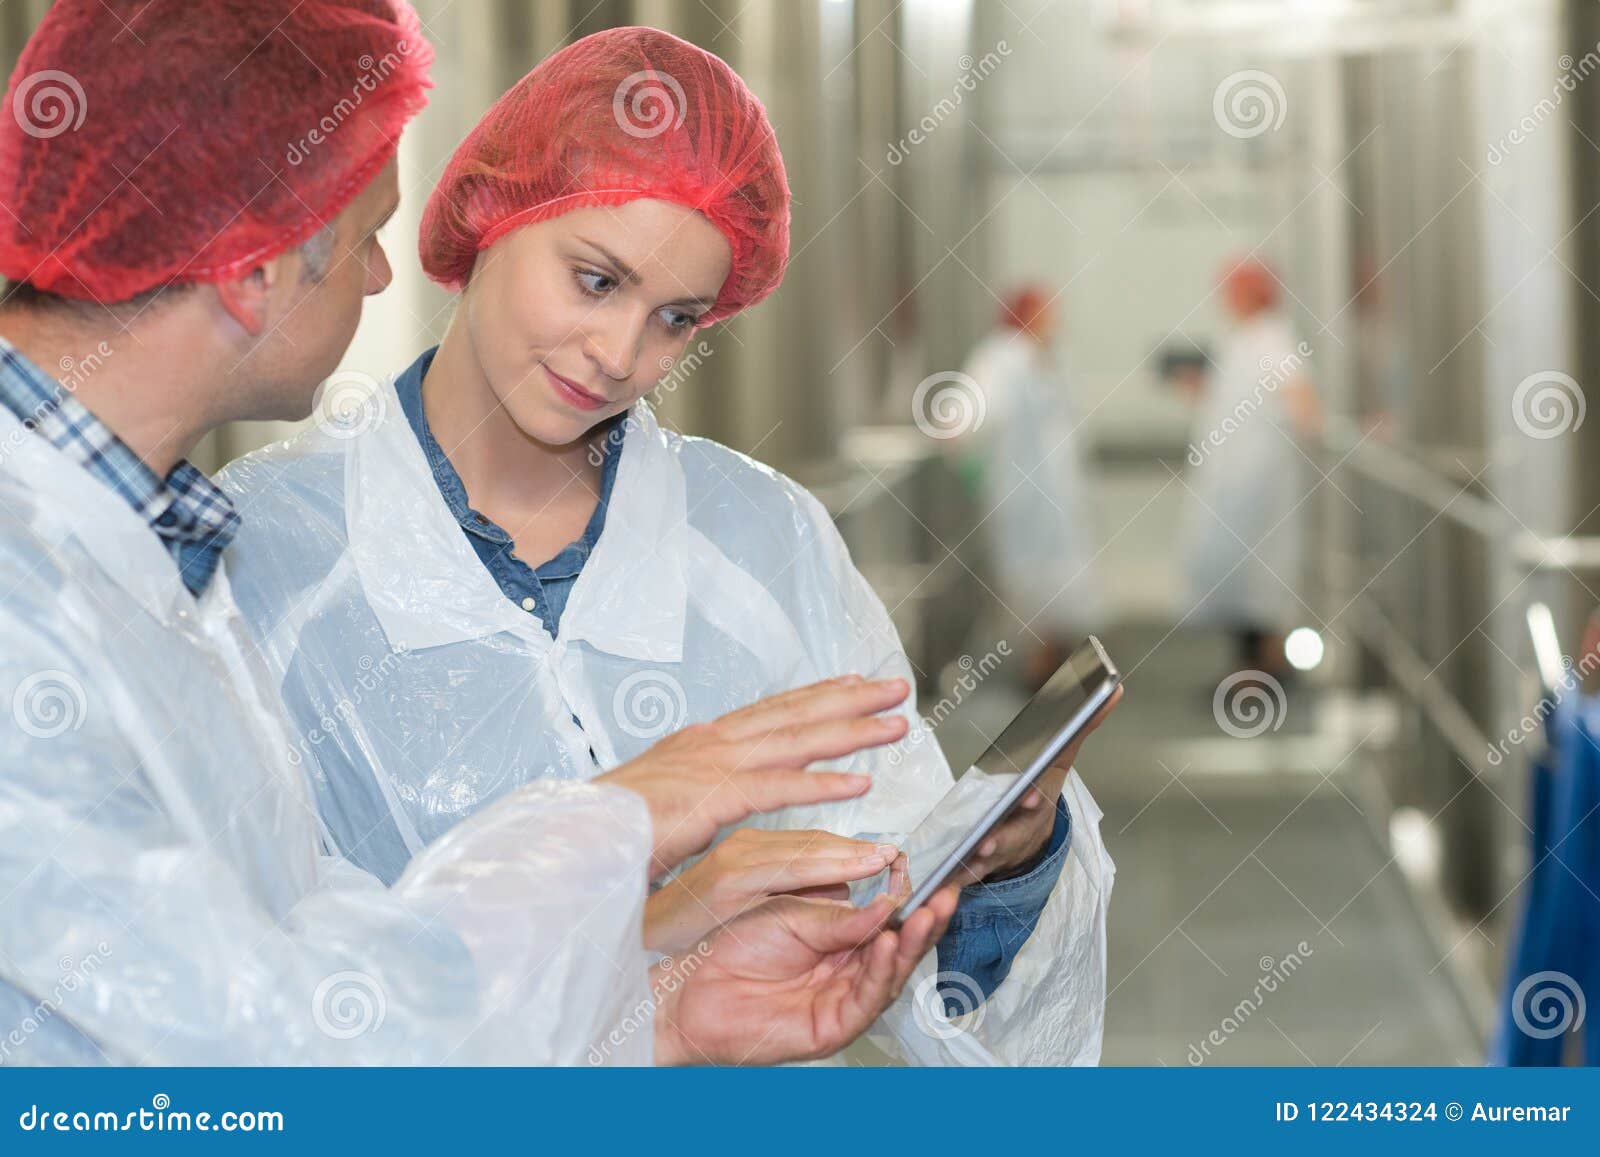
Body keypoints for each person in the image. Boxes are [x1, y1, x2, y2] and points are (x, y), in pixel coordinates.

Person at [0, 0, 959, 1066]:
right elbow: (261, 1054)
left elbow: (315, 954)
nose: (379, 273)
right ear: (247, 269)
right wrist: (614, 821)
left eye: (676, 316)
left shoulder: (144, 547)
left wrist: (661, 1011)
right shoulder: (45, 592)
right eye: (365, 237)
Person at [219, 25, 1119, 1066]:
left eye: (676, 318)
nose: (618, 355)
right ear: (489, 212)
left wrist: (999, 861)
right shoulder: (265, 560)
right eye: (595, 280)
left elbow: (911, 939)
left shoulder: (761, 540)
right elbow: (239, 997)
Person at [954, 285, 1106, 691]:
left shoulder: (1045, 359)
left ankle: (1057, 670)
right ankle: (1040, 677)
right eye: (1047, 310)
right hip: (1022, 495)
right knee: (1033, 587)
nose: (1055, 318)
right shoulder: (1001, 355)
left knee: (1057, 584)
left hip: (1053, 496)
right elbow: (969, 414)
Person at [1178, 257, 1320, 679]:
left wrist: (1312, 422)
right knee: (1241, 584)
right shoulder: (1243, 339)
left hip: (1257, 491)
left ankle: (1261, 674)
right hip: (1235, 489)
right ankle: (1254, 672)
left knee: (1258, 584)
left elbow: (1299, 396)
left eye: (1232, 289)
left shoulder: (1270, 338)